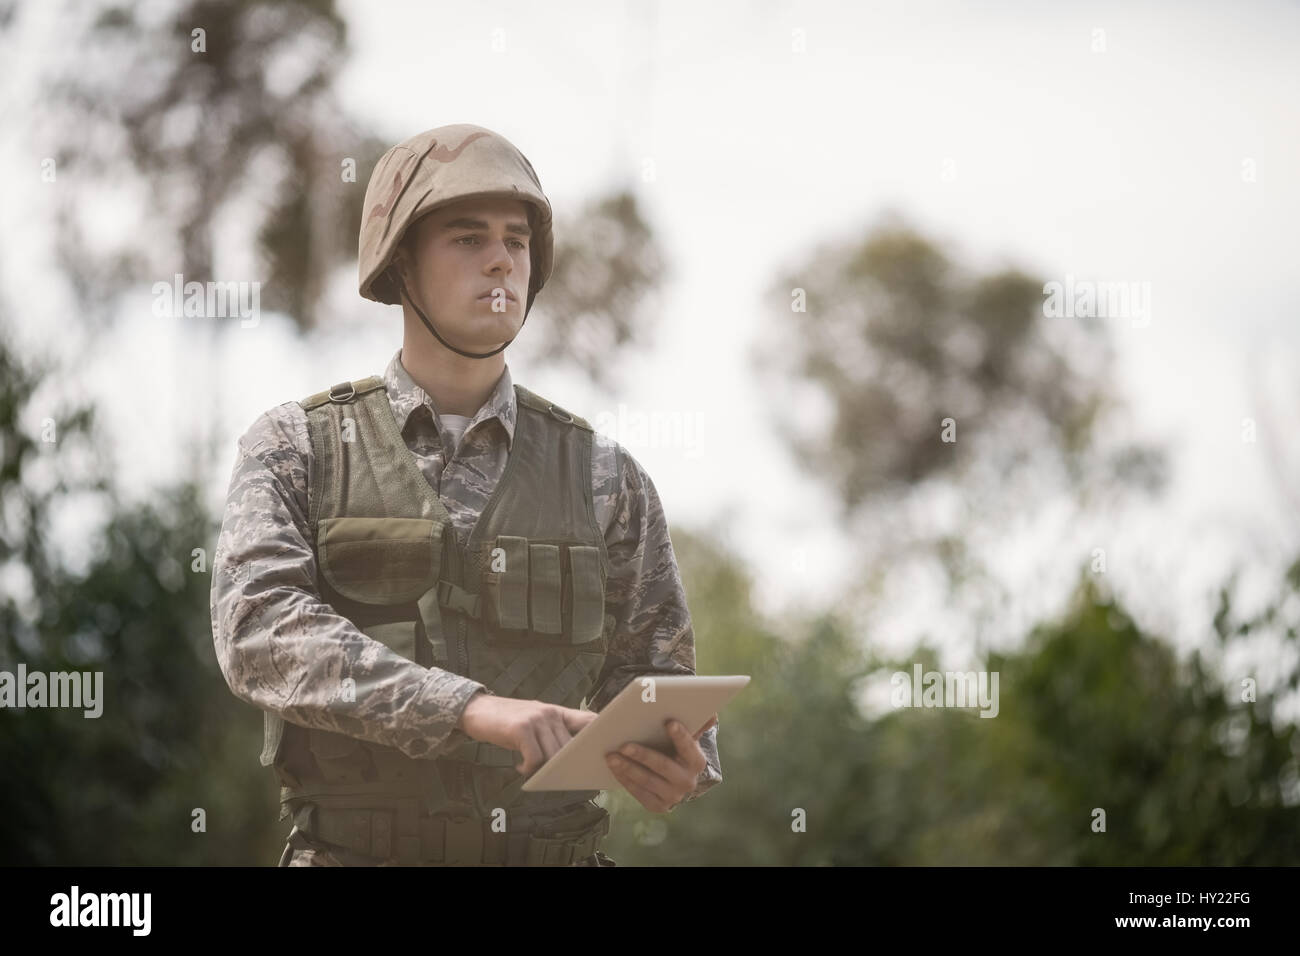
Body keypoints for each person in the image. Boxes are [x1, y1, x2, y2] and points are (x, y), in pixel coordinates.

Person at [209, 123, 721, 866]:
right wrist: (473, 710)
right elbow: (260, 634)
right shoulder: (297, 449)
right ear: (400, 261)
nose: (500, 261)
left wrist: (681, 761)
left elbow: (661, 689)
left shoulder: (604, 477)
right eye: (467, 237)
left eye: (517, 241)